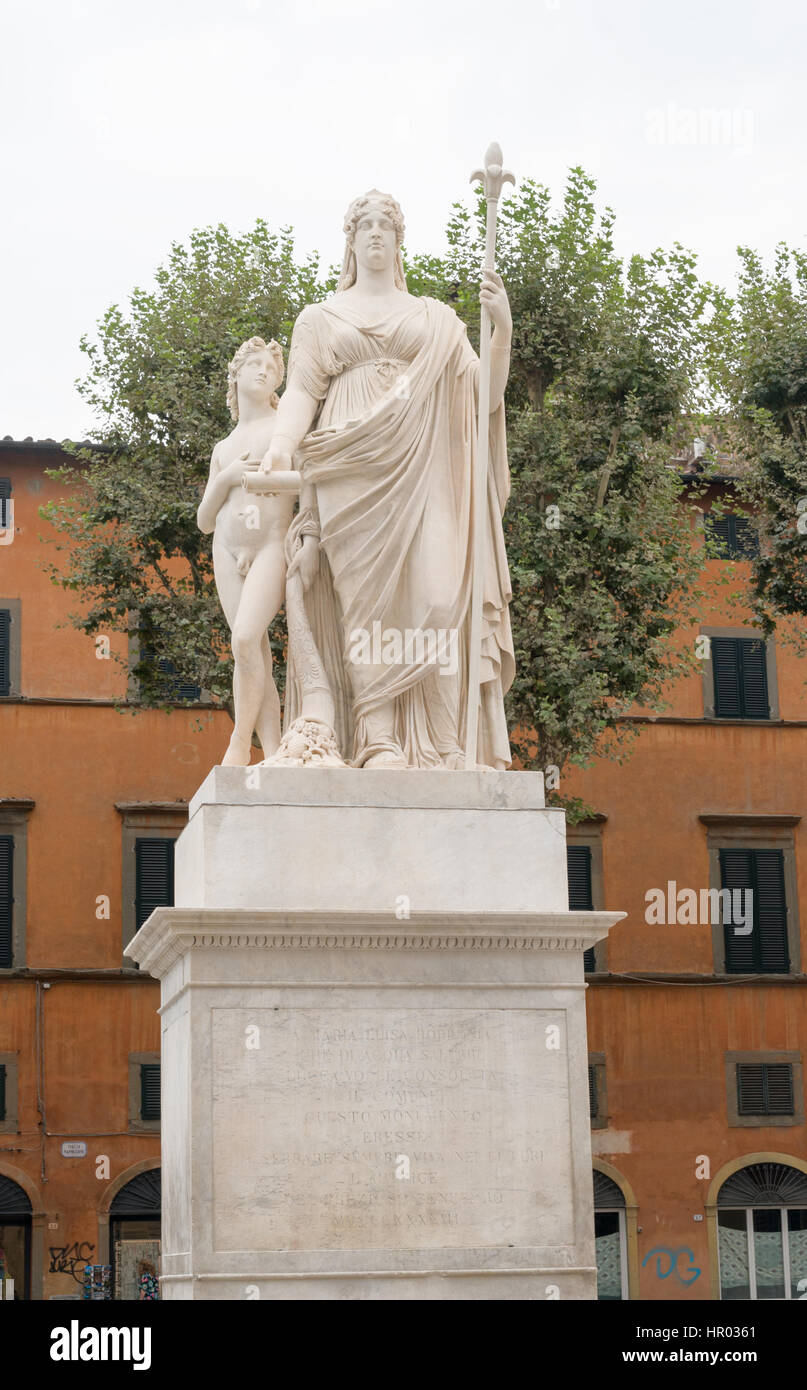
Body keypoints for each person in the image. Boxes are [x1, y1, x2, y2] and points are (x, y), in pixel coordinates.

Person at [261, 190, 515, 769]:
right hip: (347, 460)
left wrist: (500, 332)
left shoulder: (438, 320)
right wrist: (280, 446)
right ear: (350, 241)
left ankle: (443, 741)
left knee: (438, 594)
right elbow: (301, 391)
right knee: (364, 605)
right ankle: (377, 737)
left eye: (386, 225)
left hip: (424, 465)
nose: (376, 233)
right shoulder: (321, 318)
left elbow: (485, 397)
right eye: (365, 225)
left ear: (400, 240)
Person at [198, 337, 295, 764]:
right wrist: (228, 477)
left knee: (244, 640)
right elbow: (203, 519)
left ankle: (239, 741)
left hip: (271, 544)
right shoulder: (224, 448)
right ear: (235, 374)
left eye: (271, 370)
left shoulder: (285, 427)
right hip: (226, 548)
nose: (263, 372)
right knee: (253, 652)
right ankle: (272, 750)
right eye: (254, 365)